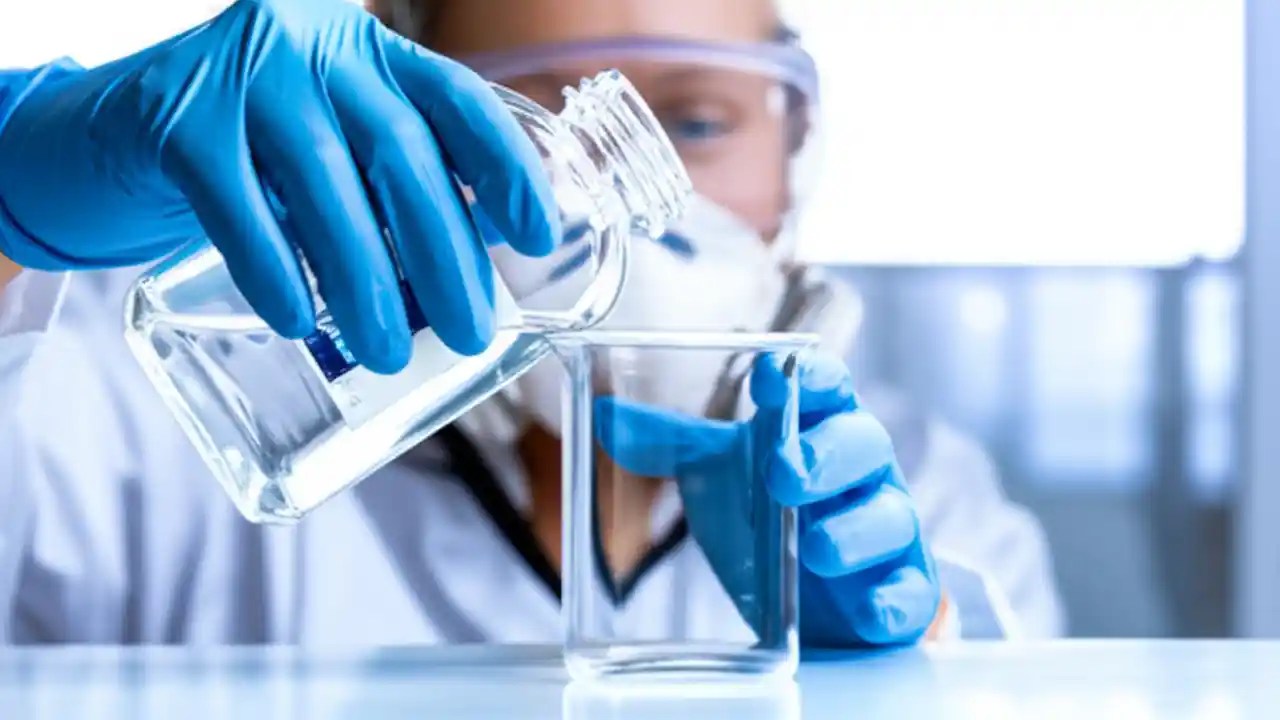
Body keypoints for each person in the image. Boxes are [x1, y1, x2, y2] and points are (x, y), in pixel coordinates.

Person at [0, 0, 1053, 645]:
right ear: (399, 117)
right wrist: (9, 206)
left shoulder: (918, 489)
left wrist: (892, 688)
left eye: (698, 121)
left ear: (795, 153)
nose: (653, 223)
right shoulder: (116, 410)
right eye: (527, 126)